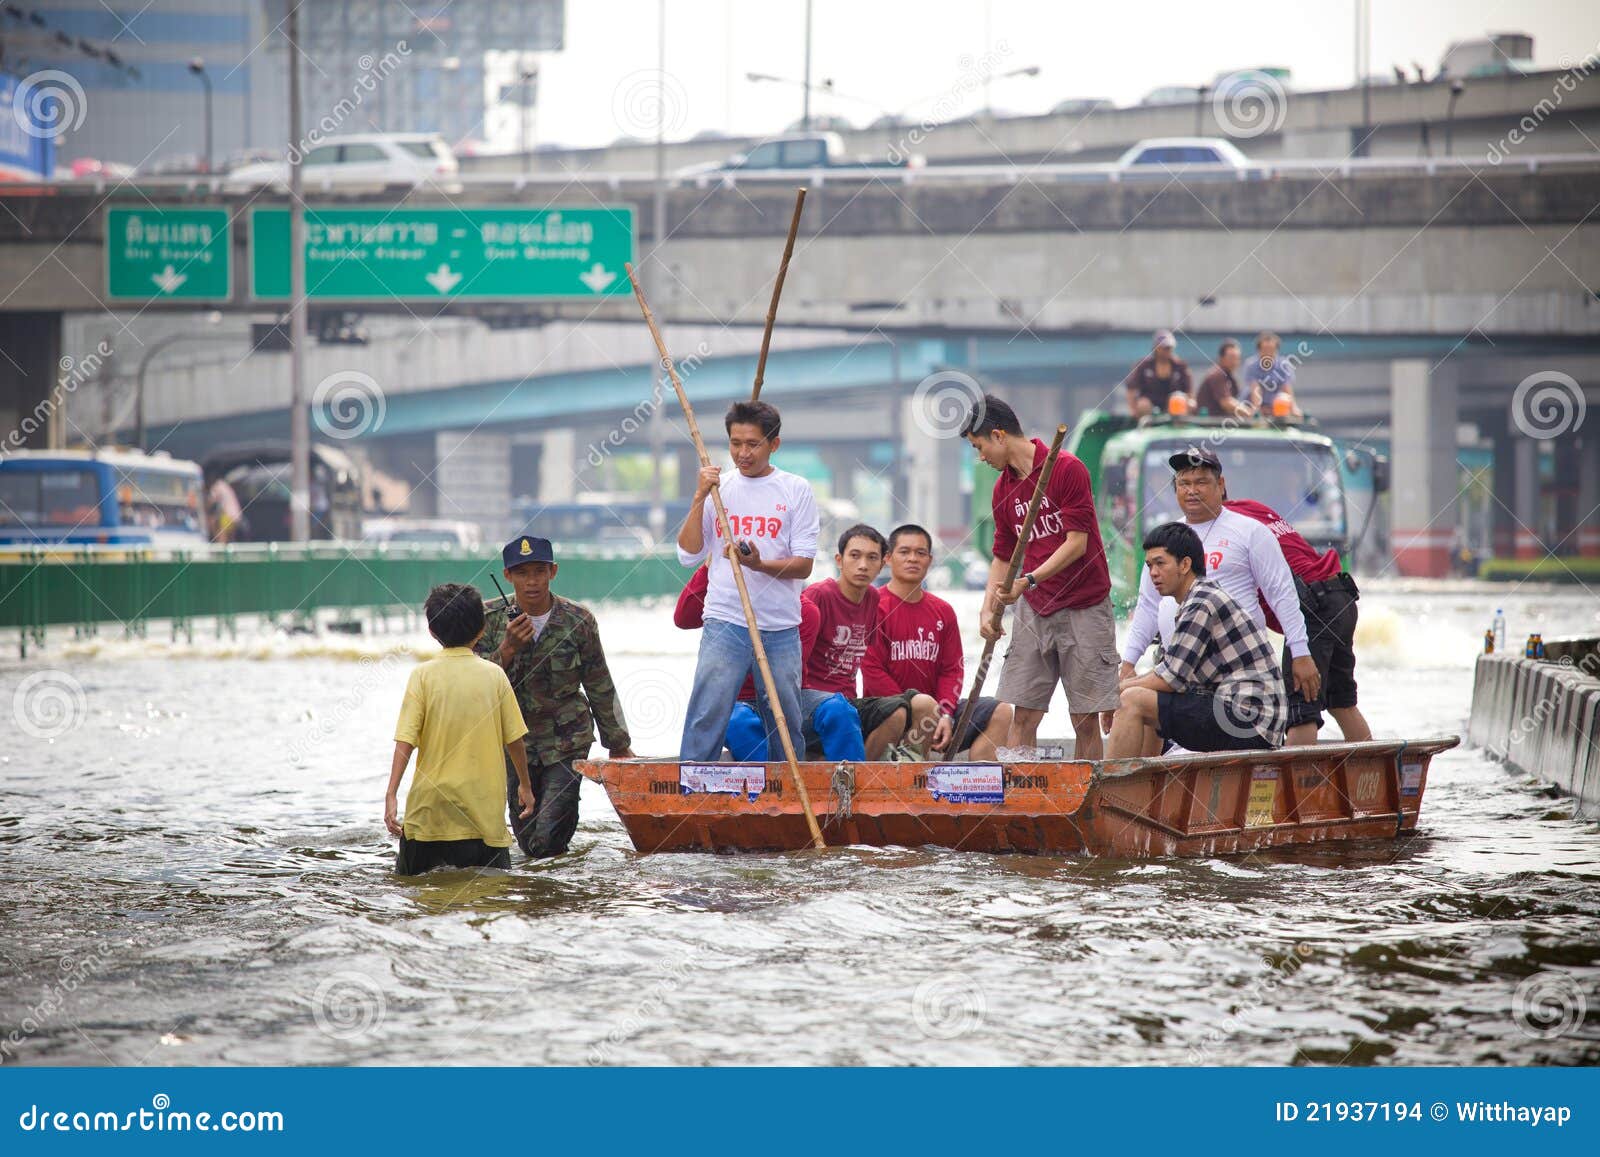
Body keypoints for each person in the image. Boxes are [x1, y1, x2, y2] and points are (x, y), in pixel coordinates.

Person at [1118, 447, 1321, 736]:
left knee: (1136, 697)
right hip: (1178, 662)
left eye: (1201, 482)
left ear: (1221, 485)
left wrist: (1301, 652)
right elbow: (1149, 606)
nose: (1192, 491)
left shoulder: (1251, 531)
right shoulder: (1166, 540)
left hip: (1234, 670)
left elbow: (1281, 593)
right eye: (1184, 483)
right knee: (1139, 706)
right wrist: (1128, 663)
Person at [962, 394, 1120, 760]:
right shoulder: (1003, 489)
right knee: (1024, 714)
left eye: (979, 446)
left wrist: (1028, 580)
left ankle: (1088, 790)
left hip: (1084, 604)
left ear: (998, 435)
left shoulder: (1066, 469)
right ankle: (1022, 786)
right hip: (1034, 609)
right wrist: (987, 609)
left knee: (1084, 719)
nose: (981, 457)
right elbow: (1003, 556)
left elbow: (1077, 544)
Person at [677, 400, 820, 764]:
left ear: (774, 444)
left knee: (784, 717)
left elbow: (803, 565)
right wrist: (699, 496)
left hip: (780, 625)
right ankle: (693, 782)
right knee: (707, 710)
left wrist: (759, 564)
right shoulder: (718, 489)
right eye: (735, 443)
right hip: (725, 618)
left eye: (753, 444)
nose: (743, 453)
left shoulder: (796, 489)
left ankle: (787, 783)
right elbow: (688, 554)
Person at [477, 535, 634, 858]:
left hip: (567, 739)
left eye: (539, 571)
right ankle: (549, 884)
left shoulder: (579, 620)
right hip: (515, 743)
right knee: (527, 840)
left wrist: (618, 744)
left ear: (553, 571)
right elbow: (473, 682)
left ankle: (559, 880)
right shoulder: (488, 620)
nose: (532, 581)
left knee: (549, 836)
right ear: (507, 575)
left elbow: (599, 682)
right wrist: (507, 649)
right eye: (522, 573)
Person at [386, 583, 535, 876]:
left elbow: (406, 741)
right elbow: (515, 740)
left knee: (416, 892)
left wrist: (391, 793)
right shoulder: (495, 676)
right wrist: (525, 786)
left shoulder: (422, 676)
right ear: (482, 629)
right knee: (489, 893)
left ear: (432, 630)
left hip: (427, 818)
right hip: (482, 822)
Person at [1107, 523, 1287, 758]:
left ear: (1185, 565)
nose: (1153, 573)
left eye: (1160, 563)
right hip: (1246, 718)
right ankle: (1146, 779)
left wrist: (1114, 692)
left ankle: (1111, 782)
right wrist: (1123, 688)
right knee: (1144, 697)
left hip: (1248, 720)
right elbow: (1168, 675)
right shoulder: (1197, 597)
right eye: (1149, 565)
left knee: (1132, 700)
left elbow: (1170, 679)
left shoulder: (1202, 602)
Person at [1223, 497, 1371, 747]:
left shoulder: (1226, 529)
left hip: (1314, 606)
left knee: (1301, 711)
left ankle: (1296, 774)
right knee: (1342, 702)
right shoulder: (1251, 507)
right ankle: (1370, 769)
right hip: (1340, 596)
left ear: (1219, 486)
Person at [863, 523, 1014, 760]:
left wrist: (945, 714)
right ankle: (914, 778)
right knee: (924, 707)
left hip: (938, 714)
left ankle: (978, 783)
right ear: (888, 559)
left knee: (1001, 711)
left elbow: (952, 670)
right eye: (904, 552)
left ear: (930, 560)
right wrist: (918, 710)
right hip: (890, 714)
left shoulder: (943, 611)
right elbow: (872, 671)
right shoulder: (873, 606)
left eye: (920, 553)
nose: (913, 559)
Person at [672, 563, 844, 760]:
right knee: (738, 721)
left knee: (837, 709)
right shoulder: (724, 606)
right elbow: (683, 618)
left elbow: (779, 684)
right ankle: (762, 779)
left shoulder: (803, 612)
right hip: (737, 703)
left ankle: (834, 777)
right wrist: (711, 565)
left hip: (783, 701)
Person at [801, 524, 939, 760]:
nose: (863, 565)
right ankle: (860, 778)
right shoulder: (819, 595)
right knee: (895, 712)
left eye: (872, 557)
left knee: (926, 706)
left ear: (883, 562)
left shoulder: (872, 598)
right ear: (839, 560)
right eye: (855, 556)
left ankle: (898, 774)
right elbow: (792, 659)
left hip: (849, 702)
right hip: (814, 706)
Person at [1123, 330, 1192, 418]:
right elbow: (1131, 390)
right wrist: (1133, 410)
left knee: (1182, 401)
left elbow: (1189, 392)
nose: (1167, 351)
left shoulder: (1180, 366)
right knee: (1143, 404)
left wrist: (1187, 403)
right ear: (1156, 348)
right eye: (1164, 348)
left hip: (1173, 406)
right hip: (1149, 405)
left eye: (1169, 348)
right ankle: (1146, 425)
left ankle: (1178, 424)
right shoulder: (1143, 365)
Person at [1242, 331, 1303, 418]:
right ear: (1259, 350)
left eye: (1271, 349)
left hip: (1275, 407)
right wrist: (1257, 410)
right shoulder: (1251, 364)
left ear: (1276, 350)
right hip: (1252, 404)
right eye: (1265, 349)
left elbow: (1286, 387)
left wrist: (1293, 408)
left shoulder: (1284, 364)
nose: (1268, 353)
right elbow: (1255, 388)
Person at [1193, 339, 1254, 419]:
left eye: (1237, 358)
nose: (1235, 361)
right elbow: (1226, 403)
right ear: (1221, 358)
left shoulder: (1230, 377)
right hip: (1208, 423)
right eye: (1231, 357)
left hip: (1220, 421)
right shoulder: (1217, 375)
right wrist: (1249, 413)